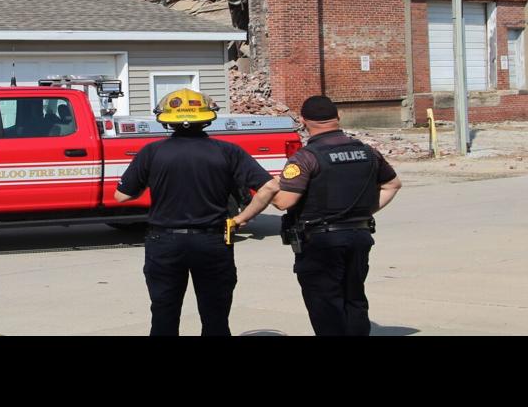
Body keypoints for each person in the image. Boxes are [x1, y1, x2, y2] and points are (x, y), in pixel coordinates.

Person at [233, 95, 402, 336]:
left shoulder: (306, 158)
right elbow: (393, 184)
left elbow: (284, 202)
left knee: (325, 304)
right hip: (359, 235)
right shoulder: (367, 152)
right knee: (354, 297)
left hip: (321, 241)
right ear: (338, 117)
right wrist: (362, 212)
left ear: (303, 121)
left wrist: (267, 185)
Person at [115, 88, 270, 336]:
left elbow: (122, 196)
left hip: (164, 241)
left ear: (166, 119)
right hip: (212, 240)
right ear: (207, 117)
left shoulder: (151, 152)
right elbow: (269, 187)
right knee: (215, 316)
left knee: (164, 314)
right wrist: (241, 218)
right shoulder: (228, 151)